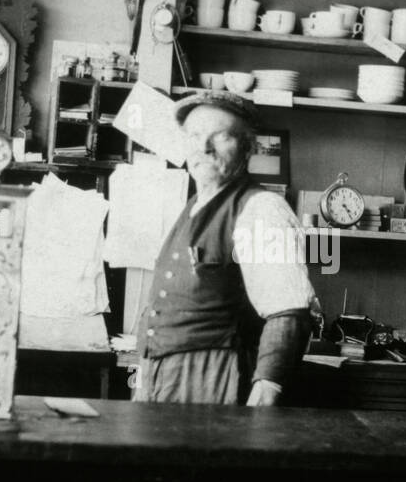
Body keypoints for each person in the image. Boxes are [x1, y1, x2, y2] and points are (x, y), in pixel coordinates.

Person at [133, 91, 314, 406]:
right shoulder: (192, 206)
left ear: (248, 148)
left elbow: (289, 311)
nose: (204, 148)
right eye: (195, 136)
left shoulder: (260, 208)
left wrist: (267, 388)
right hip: (162, 374)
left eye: (220, 137)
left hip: (214, 374)